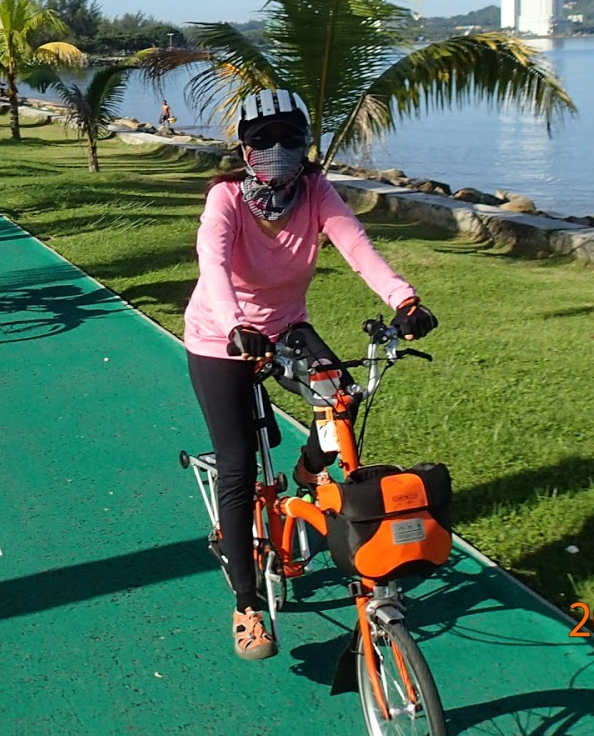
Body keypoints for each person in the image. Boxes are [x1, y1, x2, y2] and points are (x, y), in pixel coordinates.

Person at [183, 89, 437, 662]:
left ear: (305, 144)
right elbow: (213, 265)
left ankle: (306, 472)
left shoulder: (316, 191)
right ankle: (247, 604)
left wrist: (404, 299)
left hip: (287, 325)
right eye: (264, 139)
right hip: (219, 336)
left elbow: (358, 247)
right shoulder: (225, 198)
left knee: (340, 402)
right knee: (238, 464)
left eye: (290, 138)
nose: (278, 150)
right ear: (245, 149)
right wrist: (233, 326)